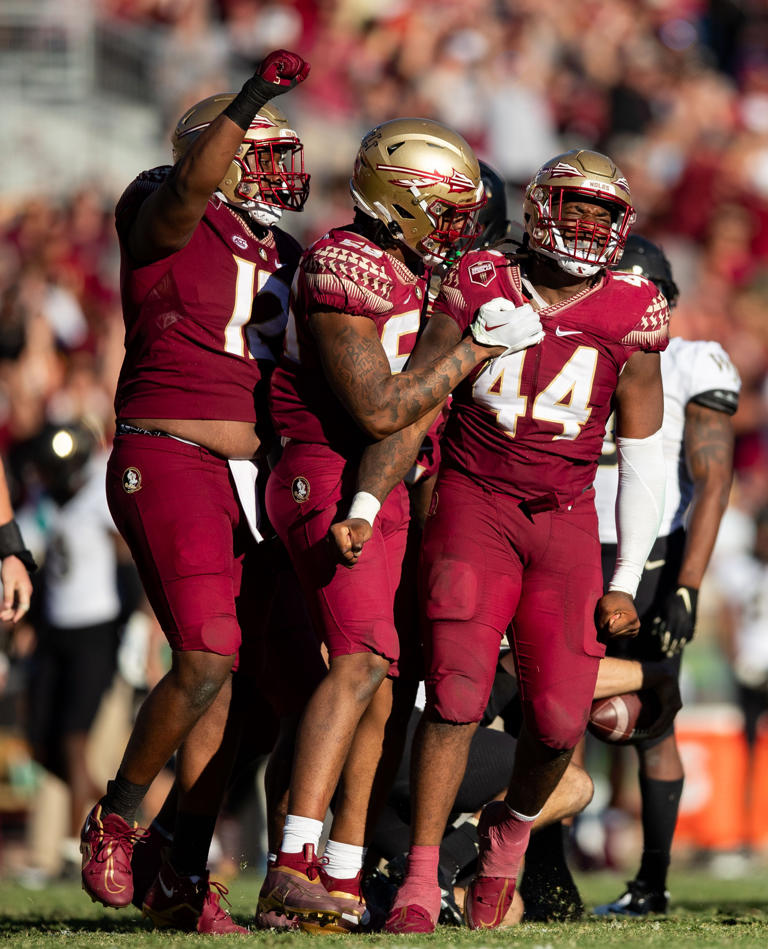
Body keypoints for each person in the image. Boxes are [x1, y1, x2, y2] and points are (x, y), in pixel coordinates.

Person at [332, 147, 671, 933]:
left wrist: (625, 578)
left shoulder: (633, 307)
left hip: (566, 515)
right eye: (574, 208)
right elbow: (416, 397)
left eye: (602, 213)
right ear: (540, 208)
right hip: (473, 502)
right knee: (454, 692)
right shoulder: (480, 276)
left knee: (557, 721)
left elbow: (647, 456)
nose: (587, 227)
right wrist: (365, 495)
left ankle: (509, 833)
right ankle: (420, 876)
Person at [259, 118, 537, 933]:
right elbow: (380, 406)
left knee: (385, 685)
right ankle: (290, 863)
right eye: (445, 211)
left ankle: (342, 875)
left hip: (375, 486)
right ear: (396, 203)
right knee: (359, 662)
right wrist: (473, 349)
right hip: (323, 471)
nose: (457, 229)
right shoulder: (345, 263)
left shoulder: (411, 270)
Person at [78, 49, 312, 934]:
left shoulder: (287, 249)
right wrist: (249, 97)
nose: (279, 167)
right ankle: (117, 815)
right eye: (259, 144)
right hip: (170, 452)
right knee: (209, 656)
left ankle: (178, 861)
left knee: (274, 689)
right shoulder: (167, 210)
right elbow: (188, 188)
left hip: (260, 475)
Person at [588, 235, 740, 916]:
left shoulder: (689, 363)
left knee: (650, 717)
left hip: (649, 555)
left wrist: (688, 582)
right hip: (569, 545)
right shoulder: (575, 345)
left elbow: (712, 481)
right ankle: (539, 872)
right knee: (546, 713)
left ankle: (651, 880)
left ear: (667, 303)